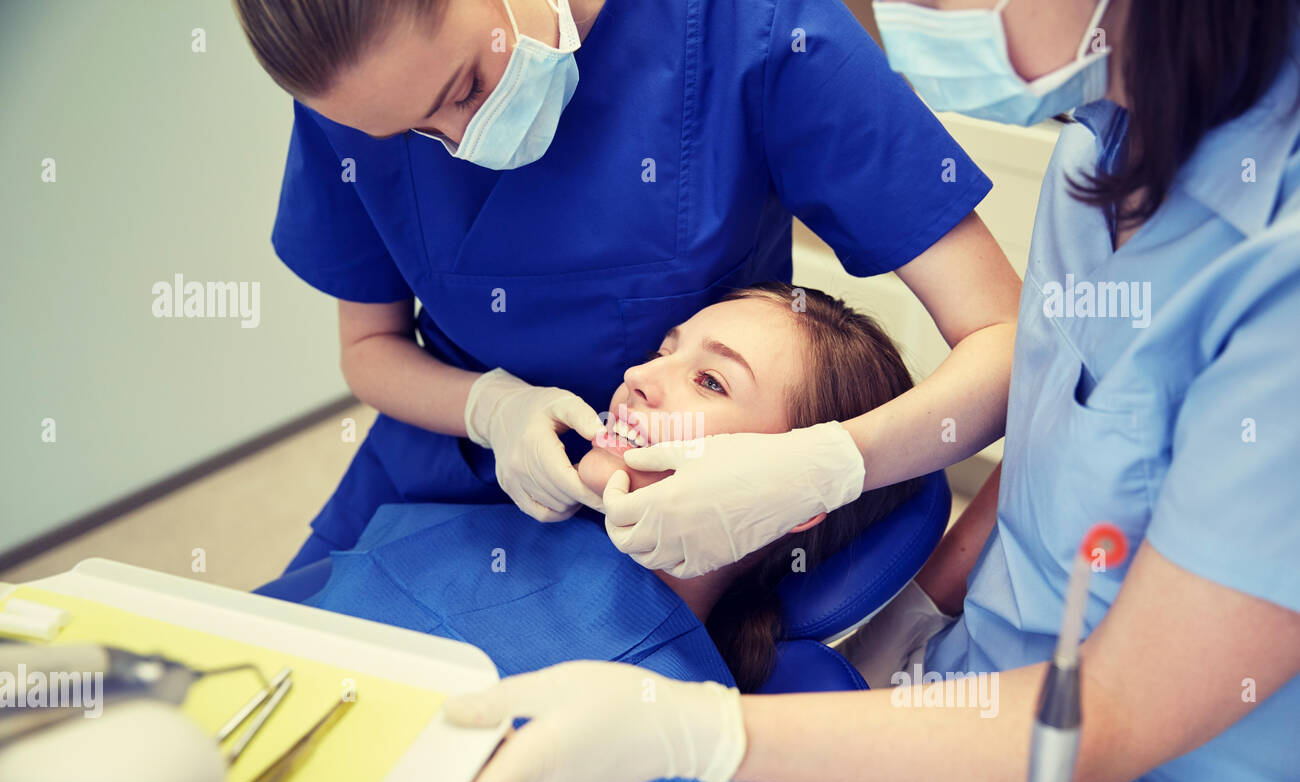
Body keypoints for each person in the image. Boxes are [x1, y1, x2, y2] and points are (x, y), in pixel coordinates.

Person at [428, 0, 1300, 782]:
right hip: (959, 702)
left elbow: (1118, 713)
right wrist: (914, 620)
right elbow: (1057, 445)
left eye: (709, 377)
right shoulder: (1097, 160)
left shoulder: (1277, 279)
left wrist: (705, 736)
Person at [234, 0, 1020, 580]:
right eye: (408, 134)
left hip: (682, 527)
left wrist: (826, 465)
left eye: (468, 87)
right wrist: (491, 409)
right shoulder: (360, 93)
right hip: (433, 479)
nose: (459, 145)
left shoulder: (755, 31)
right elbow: (369, 349)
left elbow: (1009, 341)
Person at [301, 283, 920, 782]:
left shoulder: (687, 749)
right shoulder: (476, 530)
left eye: (710, 381)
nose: (638, 378)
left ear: (792, 493)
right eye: (662, 350)